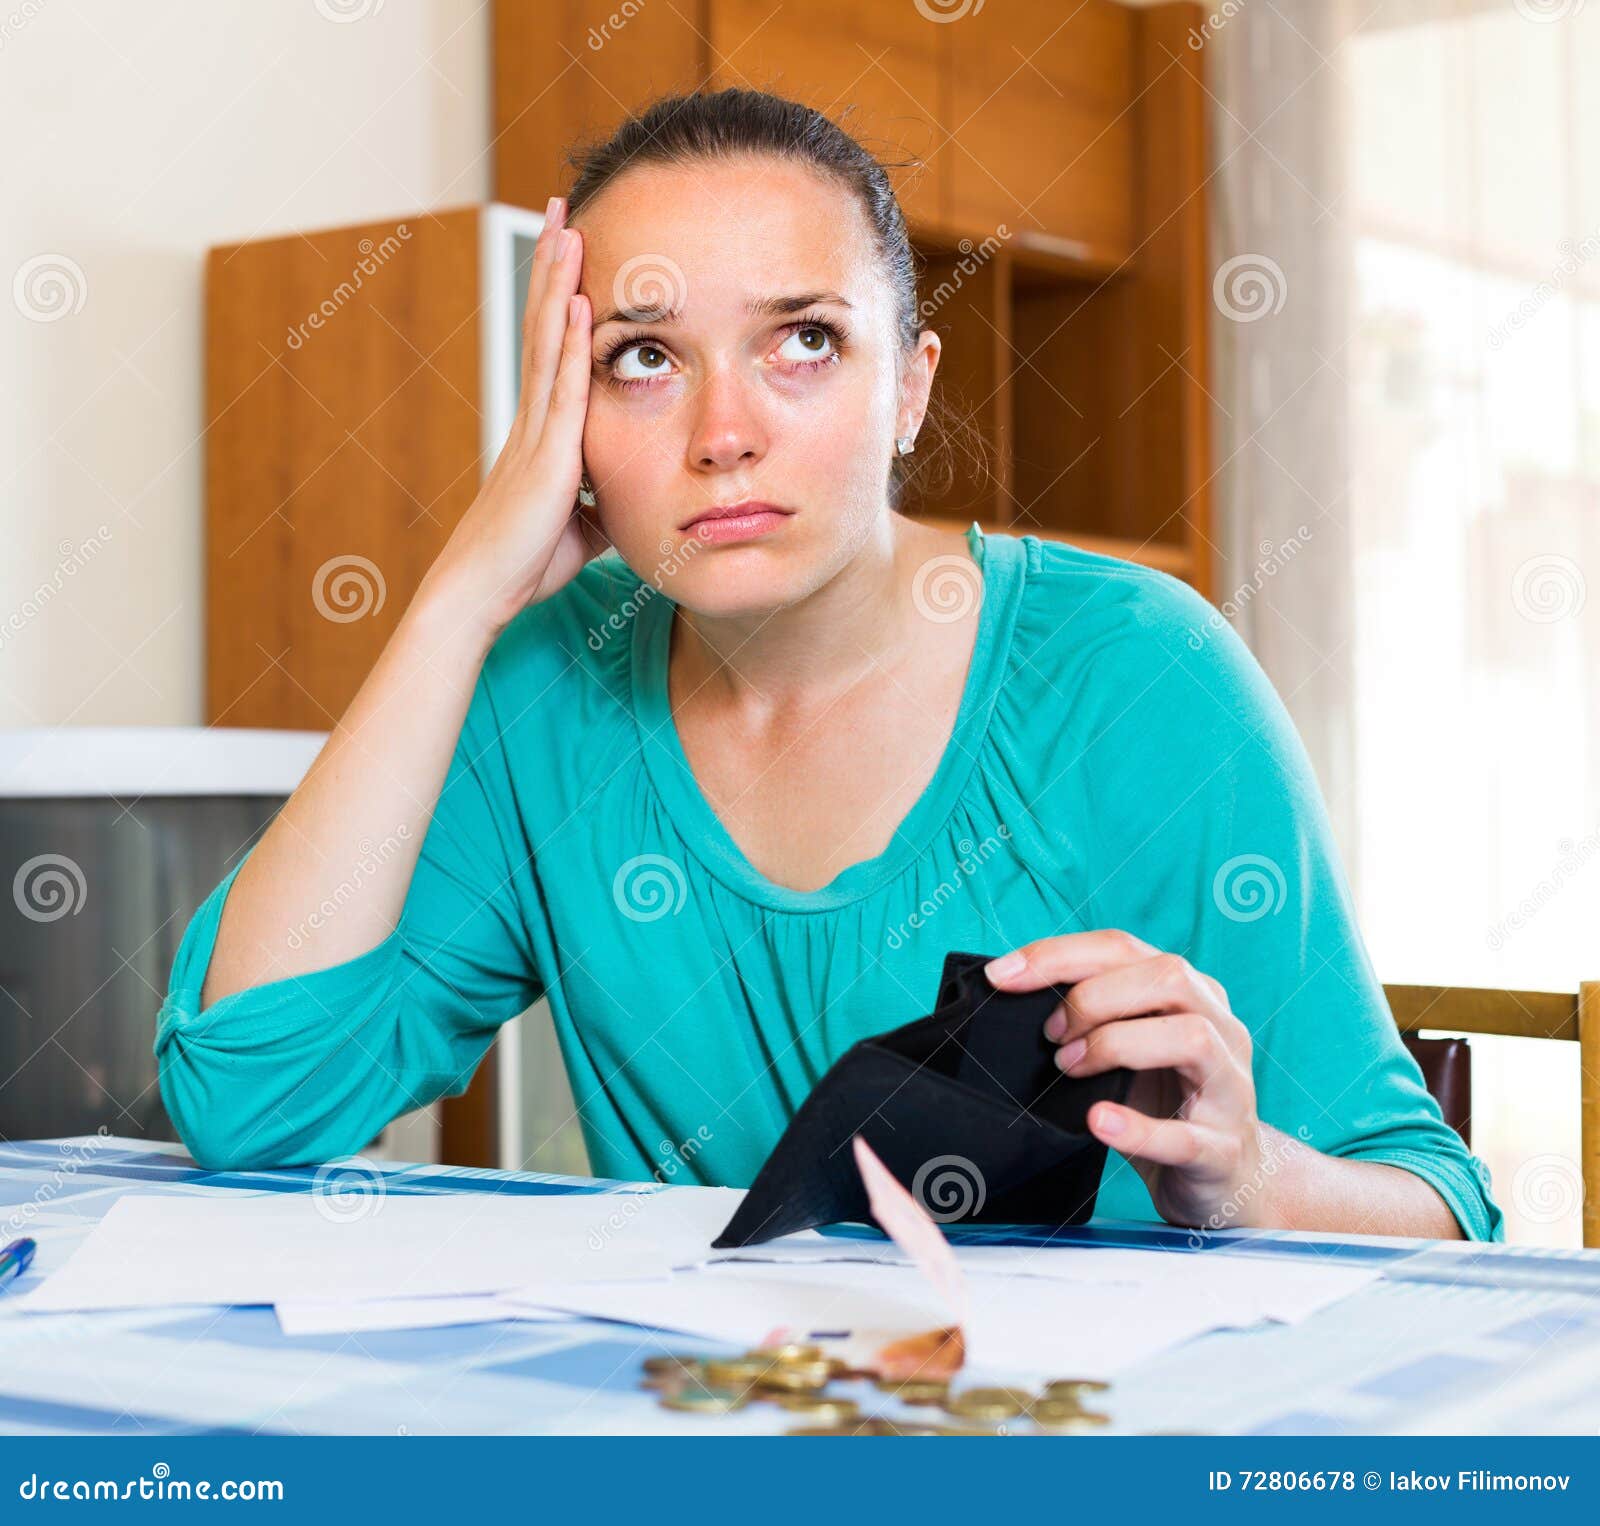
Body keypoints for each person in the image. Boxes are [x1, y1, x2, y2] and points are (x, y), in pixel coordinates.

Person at [156, 88, 1501, 1242]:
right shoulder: (549, 689)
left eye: (803, 340)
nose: (723, 430)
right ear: (561, 422)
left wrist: (1252, 1176)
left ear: (909, 387)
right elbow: (246, 1100)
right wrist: (460, 595)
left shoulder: (1143, 678)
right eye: (641, 359)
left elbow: (1443, 1204)